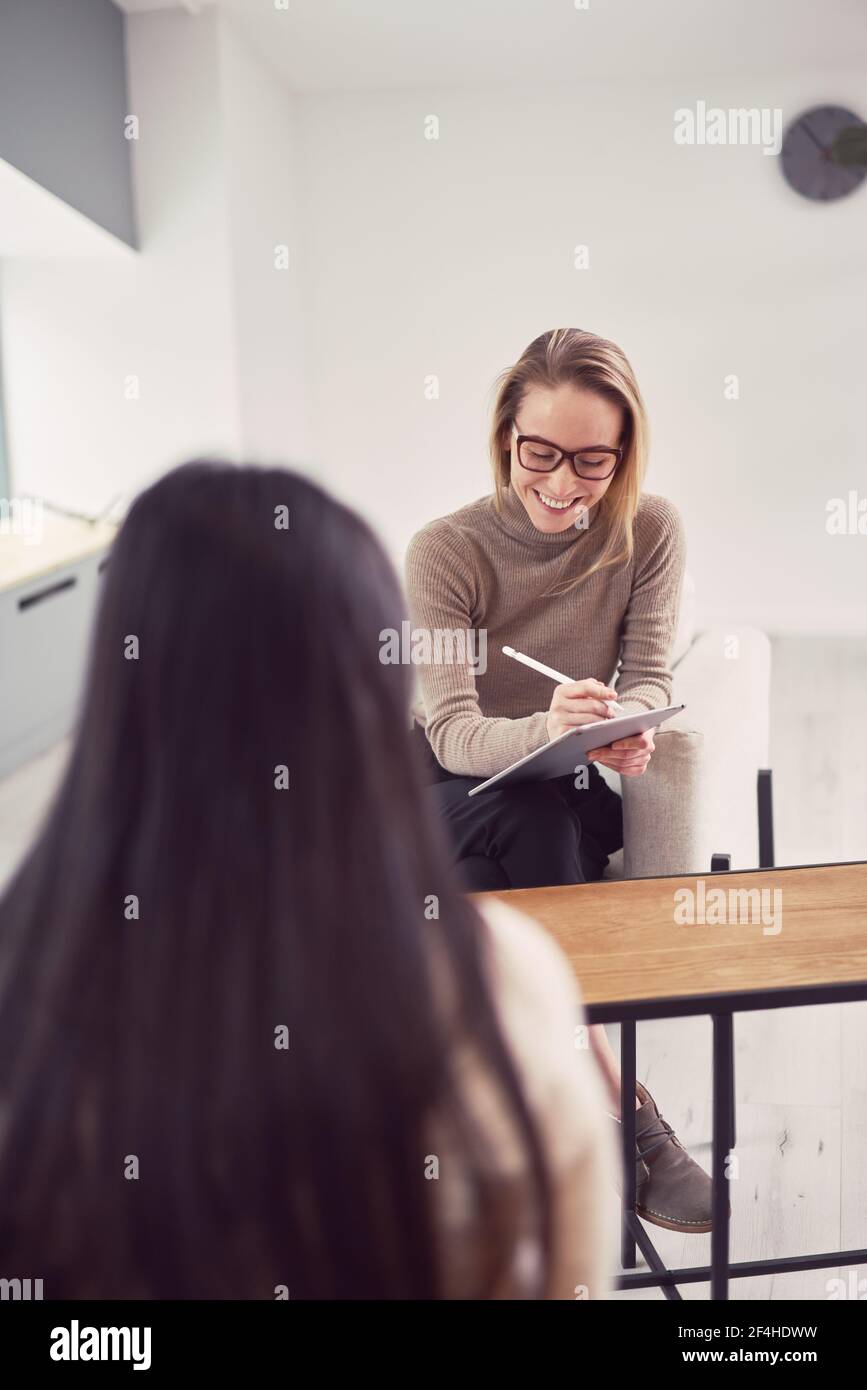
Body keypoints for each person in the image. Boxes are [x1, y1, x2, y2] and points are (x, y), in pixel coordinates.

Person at [0, 459, 614, 1299]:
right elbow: (567, 1275)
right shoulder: (499, 987)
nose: (563, 482)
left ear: (116, 677)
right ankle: (634, 1102)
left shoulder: (29, 989)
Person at [405, 327, 712, 1233]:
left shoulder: (647, 529)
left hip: (553, 791)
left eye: (591, 459)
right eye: (540, 452)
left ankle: (508, 1139)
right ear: (506, 436)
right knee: (520, 826)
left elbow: (652, 673)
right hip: (440, 792)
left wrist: (625, 730)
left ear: (623, 455)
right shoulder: (446, 550)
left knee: (516, 854)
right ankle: (627, 1118)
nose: (561, 482)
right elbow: (454, 732)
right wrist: (548, 727)